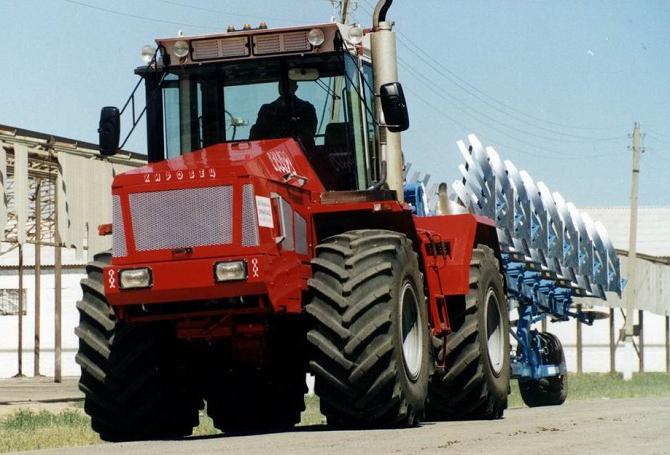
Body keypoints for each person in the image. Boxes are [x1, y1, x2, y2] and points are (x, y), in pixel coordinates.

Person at [249, 78, 318, 141]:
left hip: (300, 150)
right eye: (281, 84)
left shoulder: (306, 108)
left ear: (296, 88)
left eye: (288, 84)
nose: (284, 87)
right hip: (272, 150)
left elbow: (309, 133)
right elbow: (257, 135)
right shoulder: (267, 109)